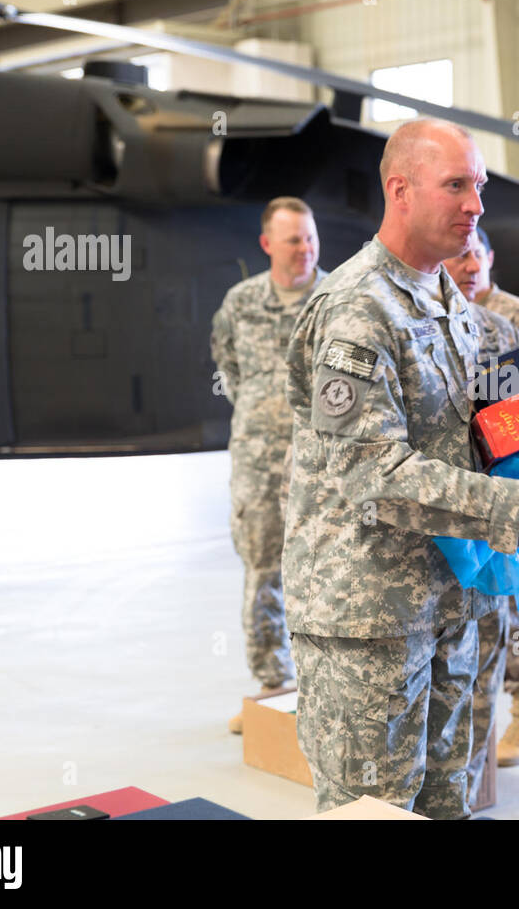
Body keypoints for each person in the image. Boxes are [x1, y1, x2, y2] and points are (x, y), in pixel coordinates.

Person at [281, 118, 519, 818]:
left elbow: (474, 438)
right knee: (374, 812)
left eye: (480, 187)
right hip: (369, 624)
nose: (475, 204)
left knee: (448, 806)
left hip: (449, 607)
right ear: (400, 190)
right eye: (456, 185)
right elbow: (375, 476)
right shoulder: (355, 310)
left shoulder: (446, 298)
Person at [211, 196, 327, 733]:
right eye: (293, 240)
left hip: (323, 463)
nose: (304, 249)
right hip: (258, 464)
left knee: (329, 573)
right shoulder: (240, 303)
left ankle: (326, 690)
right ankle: (272, 687)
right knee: (262, 572)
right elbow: (228, 367)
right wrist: (264, 417)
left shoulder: (336, 298)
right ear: (267, 245)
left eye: (309, 238)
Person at [443, 229, 519, 768]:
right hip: (463, 496)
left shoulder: (516, 321)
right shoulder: (436, 318)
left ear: (490, 257)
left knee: (515, 609)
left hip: (515, 489)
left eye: (475, 254)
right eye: (456, 255)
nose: (467, 264)